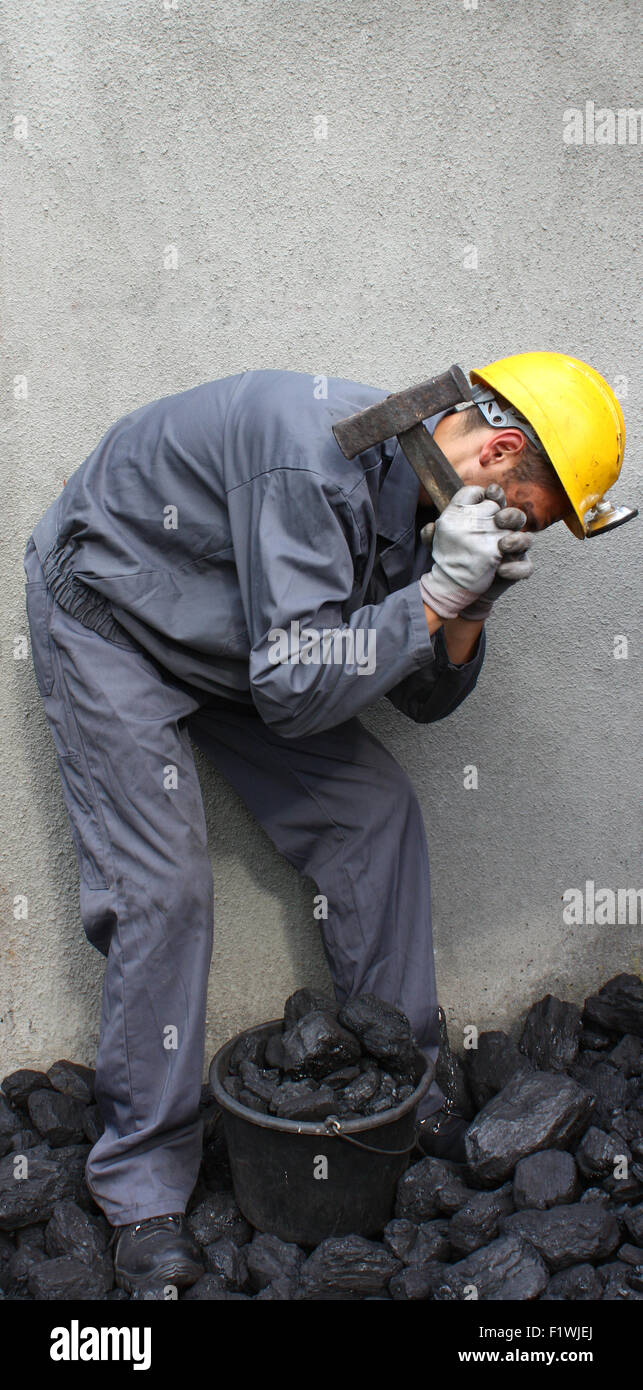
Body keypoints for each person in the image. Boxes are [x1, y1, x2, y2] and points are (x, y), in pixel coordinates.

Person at [22, 352, 626, 1291]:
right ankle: (141, 1193)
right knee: (163, 893)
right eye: (527, 513)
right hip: (117, 623)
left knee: (374, 816)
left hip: (251, 652)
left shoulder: (435, 495)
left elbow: (420, 701)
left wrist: (467, 602)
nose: (514, 530)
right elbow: (299, 691)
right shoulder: (312, 460)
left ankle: (398, 1094)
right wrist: (430, 596)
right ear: (499, 450)